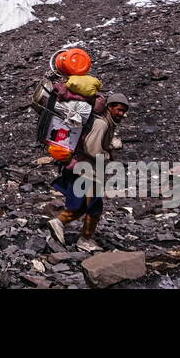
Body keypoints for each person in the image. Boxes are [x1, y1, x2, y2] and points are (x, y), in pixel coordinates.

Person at [47, 92, 129, 252]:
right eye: (118, 109)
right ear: (110, 107)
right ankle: (83, 240)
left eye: (123, 111)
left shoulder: (104, 122)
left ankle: (60, 224)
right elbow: (91, 148)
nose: (121, 114)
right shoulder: (102, 124)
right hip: (87, 171)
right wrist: (106, 154)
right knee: (94, 207)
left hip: (81, 169)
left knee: (81, 206)